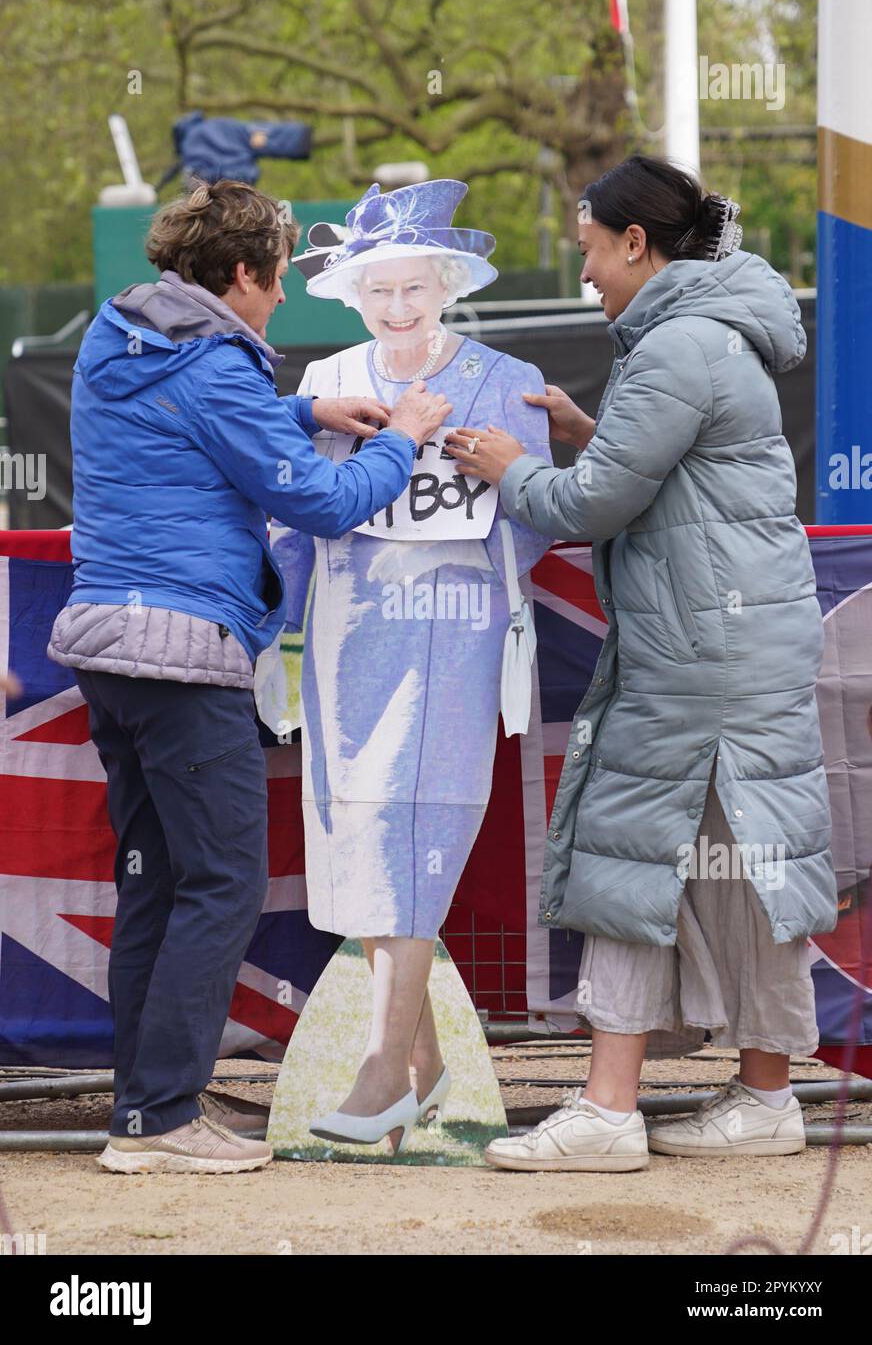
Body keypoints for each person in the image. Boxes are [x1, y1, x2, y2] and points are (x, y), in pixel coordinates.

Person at [47, 179, 450, 1174]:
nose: (279, 302)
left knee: (156, 881)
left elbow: (184, 418)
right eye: (275, 284)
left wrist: (304, 403)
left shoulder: (118, 334)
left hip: (108, 650)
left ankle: (143, 1116)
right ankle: (164, 1117)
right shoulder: (218, 363)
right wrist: (401, 436)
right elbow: (315, 498)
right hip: (184, 657)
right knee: (222, 884)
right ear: (240, 275)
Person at [445, 154, 838, 1171]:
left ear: (634, 242)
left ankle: (608, 1109)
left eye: (586, 253)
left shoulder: (675, 347)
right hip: (735, 642)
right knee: (745, 866)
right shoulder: (707, 335)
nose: (582, 276)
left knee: (628, 850)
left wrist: (511, 467)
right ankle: (765, 1096)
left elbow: (590, 507)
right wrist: (586, 433)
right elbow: (657, 479)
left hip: (695, 651)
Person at [281, 179, 551, 1152]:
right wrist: (271, 627)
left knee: (414, 827)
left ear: (445, 283)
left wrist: (496, 487)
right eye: (378, 292)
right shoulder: (325, 382)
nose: (397, 309)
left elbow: (535, 520)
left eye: (413, 289)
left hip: (452, 632)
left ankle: (380, 1075)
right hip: (349, 634)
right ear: (352, 293)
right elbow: (291, 514)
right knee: (364, 839)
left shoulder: (506, 377)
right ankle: (428, 1068)